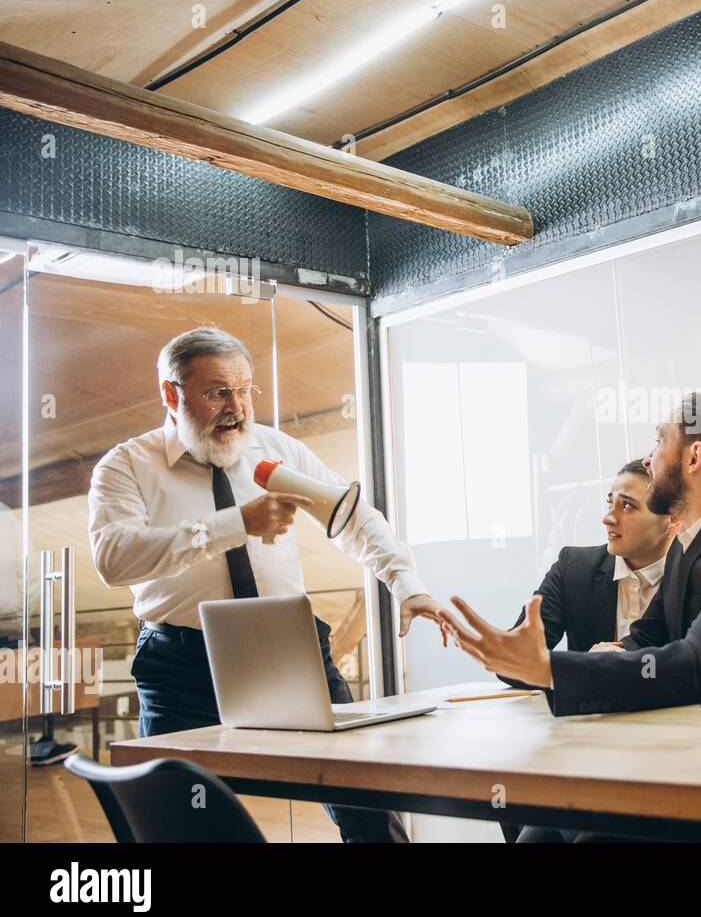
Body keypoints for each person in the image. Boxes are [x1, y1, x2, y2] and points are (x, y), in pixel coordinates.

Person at [88, 326, 447, 841]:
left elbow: (353, 517)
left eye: (245, 390)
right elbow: (114, 559)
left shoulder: (276, 448)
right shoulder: (126, 466)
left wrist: (405, 583)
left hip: (289, 652)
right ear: (171, 394)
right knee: (178, 819)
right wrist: (237, 523)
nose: (236, 407)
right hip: (182, 663)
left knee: (363, 803)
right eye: (217, 392)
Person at [430, 390, 701, 716]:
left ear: (694, 457)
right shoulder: (690, 540)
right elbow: (648, 637)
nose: (650, 458)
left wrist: (553, 670)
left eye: (660, 441)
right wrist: (594, 657)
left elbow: (697, 664)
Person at [497, 459, 678, 688]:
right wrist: (581, 665)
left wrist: (592, 666)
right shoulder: (573, 568)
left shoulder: (696, 576)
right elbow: (510, 666)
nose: (608, 518)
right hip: (590, 717)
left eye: (628, 506)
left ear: (673, 520)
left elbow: (699, 666)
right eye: (610, 504)